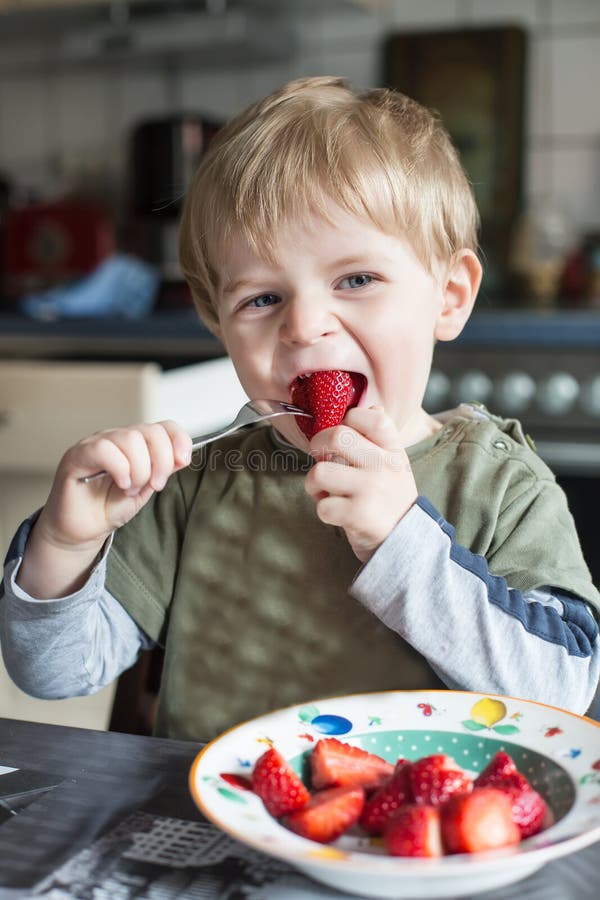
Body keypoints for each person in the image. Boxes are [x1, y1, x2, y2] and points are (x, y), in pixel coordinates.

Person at [1, 77, 599, 740]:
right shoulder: (201, 479)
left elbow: (562, 695)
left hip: (422, 837)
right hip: (210, 827)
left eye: (357, 280)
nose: (306, 325)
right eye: (261, 299)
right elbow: (52, 674)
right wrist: (65, 545)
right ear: (218, 326)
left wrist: (400, 540)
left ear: (449, 296)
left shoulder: (500, 486)